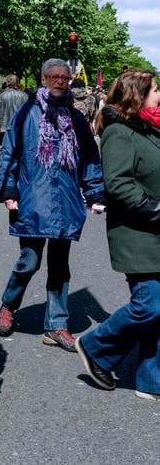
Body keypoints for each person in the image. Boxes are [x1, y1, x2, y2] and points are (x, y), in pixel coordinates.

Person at [0, 58, 105, 352]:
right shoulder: (27, 113)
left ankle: (56, 325)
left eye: (64, 78)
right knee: (28, 261)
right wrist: (8, 189)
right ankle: (8, 304)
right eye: (54, 76)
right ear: (43, 79)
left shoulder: (77, 118)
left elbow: (91, 159)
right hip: (32, 199)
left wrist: (94, 194)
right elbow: (10, 152)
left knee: (60, 266)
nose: (59, 81)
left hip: (65, 201)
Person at [75, 70, 160, 400]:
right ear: (137, 95)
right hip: (138, 233)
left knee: (157, 308)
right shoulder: (119, 132)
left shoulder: (148, 127)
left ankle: (151, 380)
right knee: (149, 305)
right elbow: (120, 186)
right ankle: (96, 347)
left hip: (152, 231)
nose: (159, 95)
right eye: (154, 90)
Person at [0, 74, 27, 147]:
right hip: (20, 129)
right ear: (18, 83)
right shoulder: (25, 96)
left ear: (7, 83)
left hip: (4, 130)